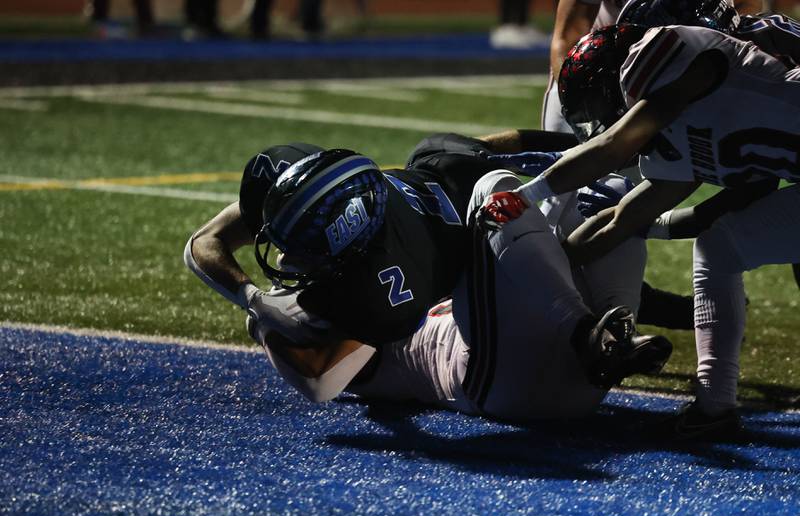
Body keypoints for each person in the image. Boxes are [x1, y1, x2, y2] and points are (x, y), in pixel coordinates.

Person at [184, 133, 672, 421]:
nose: (291, 257)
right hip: (532, 357)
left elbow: (324, 377)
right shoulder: (423, 172)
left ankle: (606, 333)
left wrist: (263, 311)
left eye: (301, 243)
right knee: (584, 191)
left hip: (510, 377)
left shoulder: (354, 302)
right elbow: (508, 148)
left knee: (522, 197)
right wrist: (607, 144)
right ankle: (605, 330)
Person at [477, 21, 800, 437]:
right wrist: (540, 273)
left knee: (720, 250)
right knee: (720, 249)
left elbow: (616, 144)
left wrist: (524, 196)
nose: (603, 121)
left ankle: (715, 408)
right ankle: (713, 409)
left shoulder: (663, 51)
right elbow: (618, 222)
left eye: (599, 109)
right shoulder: (677, 136)